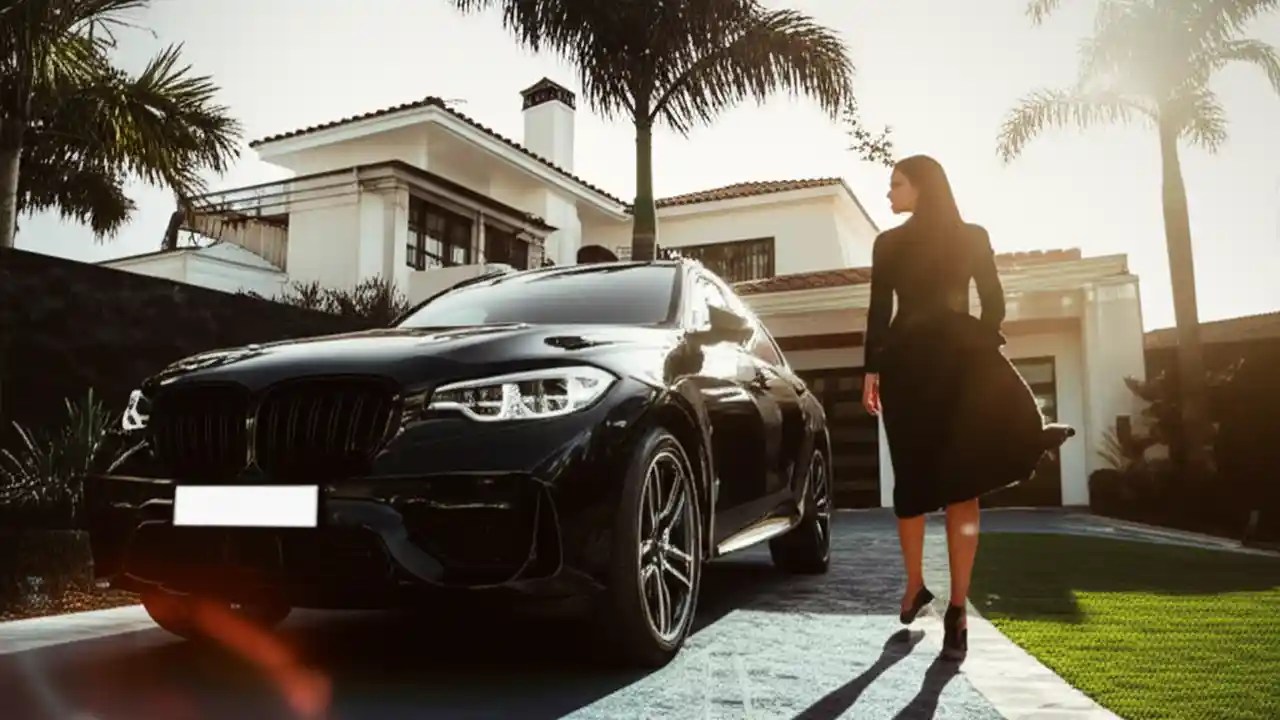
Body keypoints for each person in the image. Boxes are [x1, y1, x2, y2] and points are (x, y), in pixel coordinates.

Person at [861, 154, 1073, 661]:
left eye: (896, 184)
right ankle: (957, 607)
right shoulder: (973, 235)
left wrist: (873, 369)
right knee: (962, 483)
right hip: (955, 363)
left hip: (908, 365)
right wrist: (975, 340)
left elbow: (878, 311)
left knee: (911, 479)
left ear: (922, 188)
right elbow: (994, 302)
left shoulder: (888, 244)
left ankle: (914, 588)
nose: (889, 194)